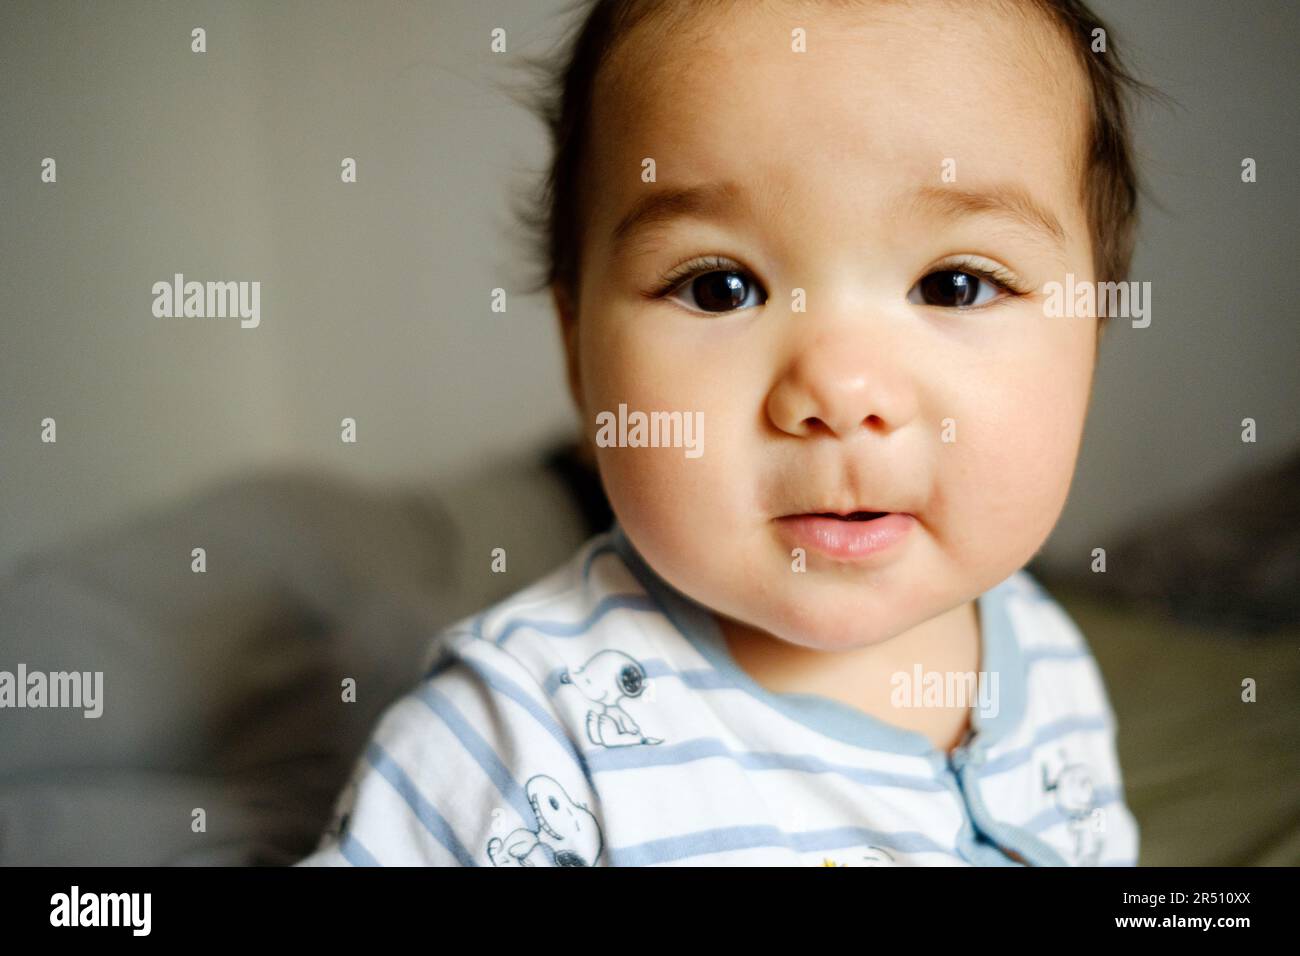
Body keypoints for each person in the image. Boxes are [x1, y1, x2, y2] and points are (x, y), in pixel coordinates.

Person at [299, 0, 1152, 866]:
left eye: (956, 285)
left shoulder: (1047, 660)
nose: (841, 390)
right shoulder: (518, 740)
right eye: (720, 288)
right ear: (576, 355)